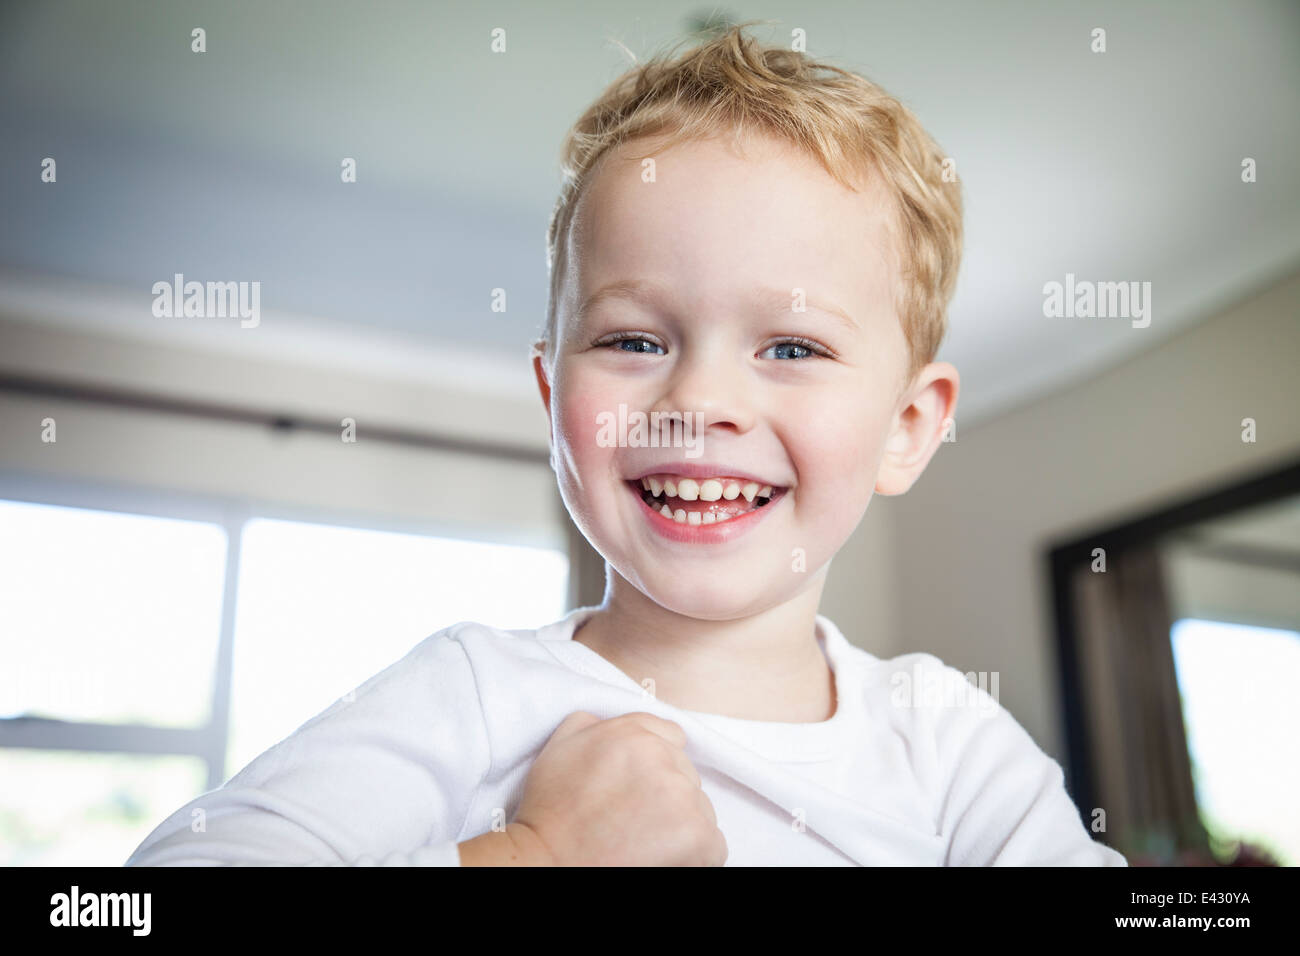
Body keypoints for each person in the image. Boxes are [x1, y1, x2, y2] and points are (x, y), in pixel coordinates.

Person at [126, 22, 1127, 867]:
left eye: (791, 346)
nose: (699, 401)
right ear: (552, 395)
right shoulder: (472, 696)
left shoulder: (949, 746)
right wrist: (535, 855)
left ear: (907, 428)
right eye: (634, 341)